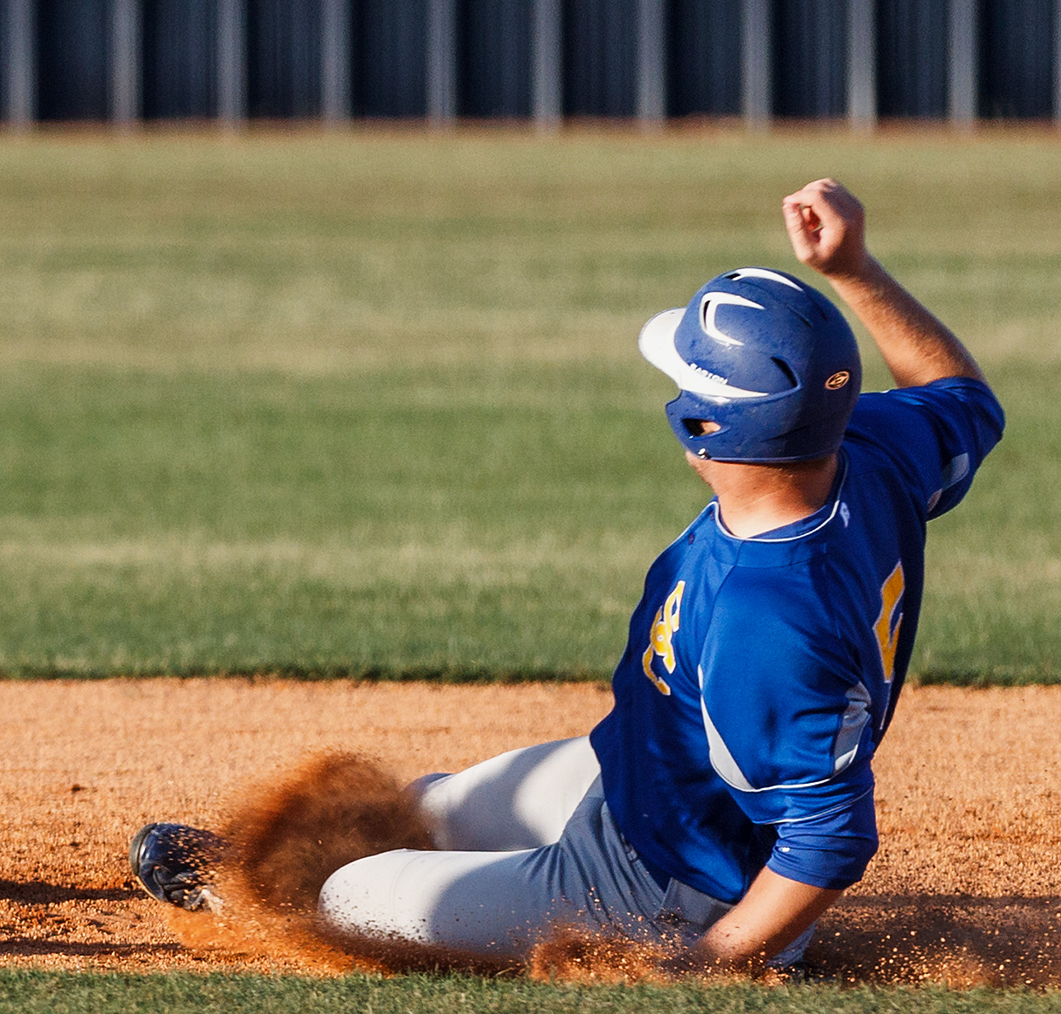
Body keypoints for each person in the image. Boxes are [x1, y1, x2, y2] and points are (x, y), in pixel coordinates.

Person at [131, 179, 1004, 973]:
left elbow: (827, 840)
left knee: (344, 897)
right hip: (645, 783)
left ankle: (255, 898)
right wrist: (855, 271)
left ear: (702, 426)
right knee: (420, 809)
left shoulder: (766, 615)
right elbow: (966, 400)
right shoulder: (868, 450)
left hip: (666, 888)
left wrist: (704, 966)